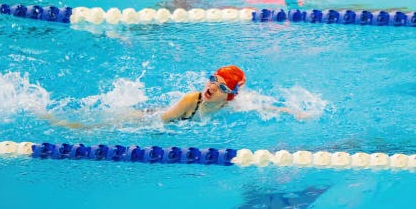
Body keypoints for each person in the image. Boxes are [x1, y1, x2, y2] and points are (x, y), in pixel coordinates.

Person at [45, 66, 308, 127]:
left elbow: (267, 107)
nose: (212, 86)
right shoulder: (189, 100)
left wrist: (294, 112)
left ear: (230, 96)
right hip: (155, 115)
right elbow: (160, 122)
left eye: (221, 86)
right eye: (212, 79)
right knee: (103, 125)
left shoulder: (238, 104)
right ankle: (67, 122)